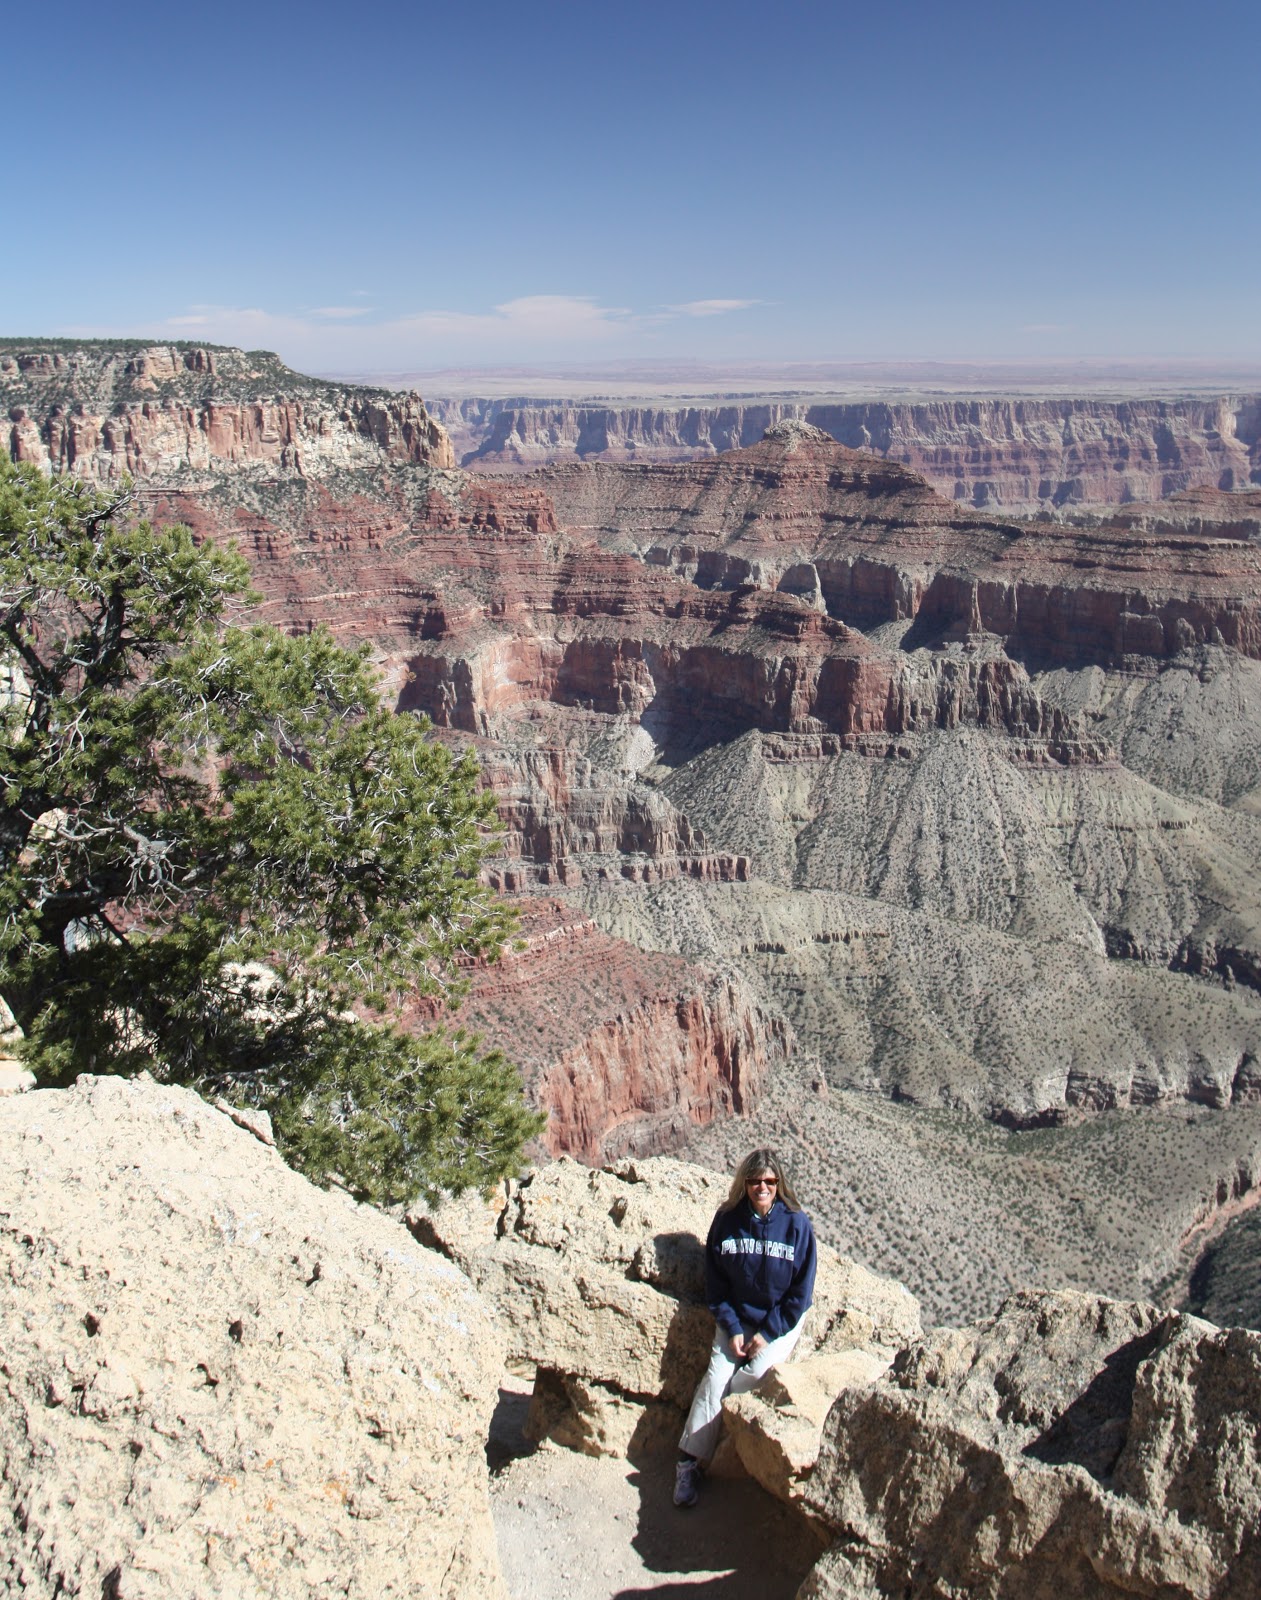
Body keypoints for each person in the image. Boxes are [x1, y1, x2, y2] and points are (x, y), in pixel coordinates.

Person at [674, 1147, 817, 1508]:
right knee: (715, 1378)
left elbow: (800, 1295)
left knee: (750, 1379)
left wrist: (767, 1333)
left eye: (770, 1181)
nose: (762, 1187)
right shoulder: (727, 1221)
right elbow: (716, 1285)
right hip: (736, 1318)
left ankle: (722, 1443)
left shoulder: (797, 1226)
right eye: (755, 1181)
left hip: (779, 1323)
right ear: (745, 1183)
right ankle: (688, 1463)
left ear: (779, 1184)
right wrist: (733, 1328)